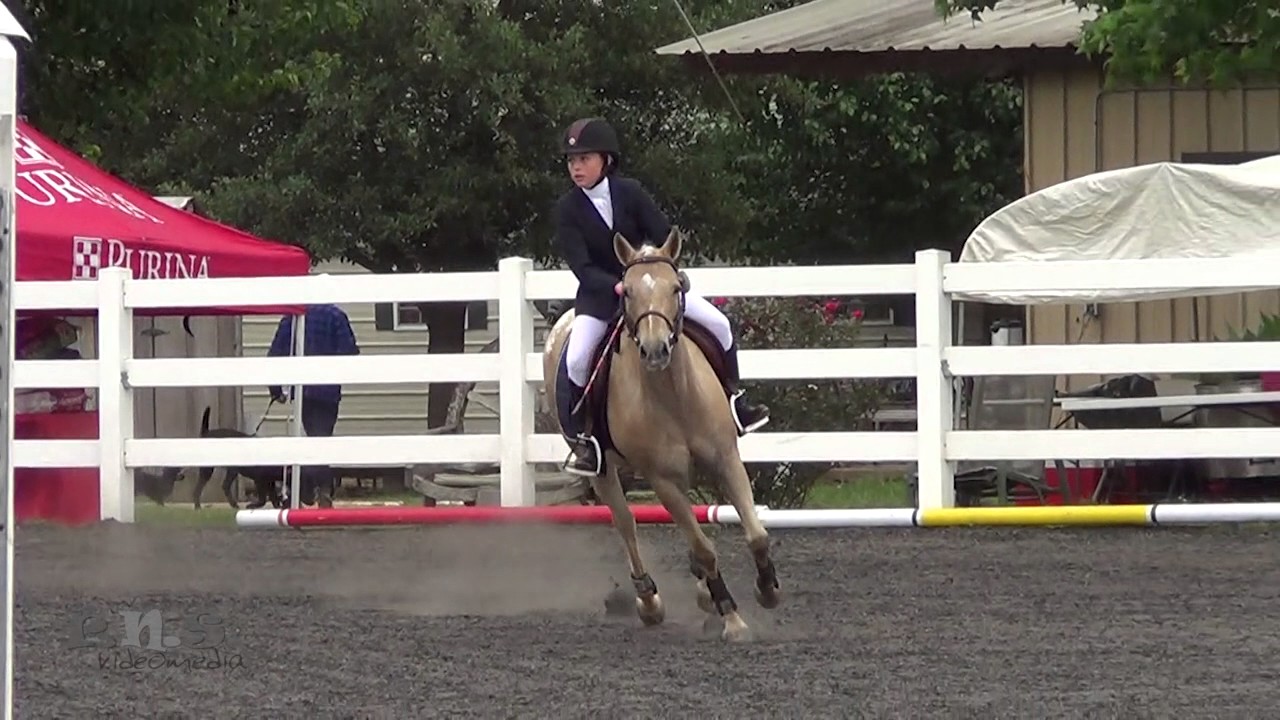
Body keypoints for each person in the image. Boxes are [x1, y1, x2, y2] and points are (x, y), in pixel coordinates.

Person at [551, 117, 770, 477]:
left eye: (584, 159)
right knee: (576, 359)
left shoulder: (631, 193)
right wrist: (618, 286)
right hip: (603, 297)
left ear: (606, 160)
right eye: (572, 160)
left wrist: (655, 271)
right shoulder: (567, 210)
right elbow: (581, 266)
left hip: (654, 293)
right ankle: (585, 440)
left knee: (720, 324)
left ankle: (735, 401)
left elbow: (664, 234)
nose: (576, 167)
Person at [267, 302, 360, 506]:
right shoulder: (336, 316)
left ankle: (306, 488)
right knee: (322, 438)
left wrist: (275, 389)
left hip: (302, 391)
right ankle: (320, 488)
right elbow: (349, 352)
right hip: (327, 391)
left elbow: (275, 354)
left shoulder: (292, 316)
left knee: (313, 438)